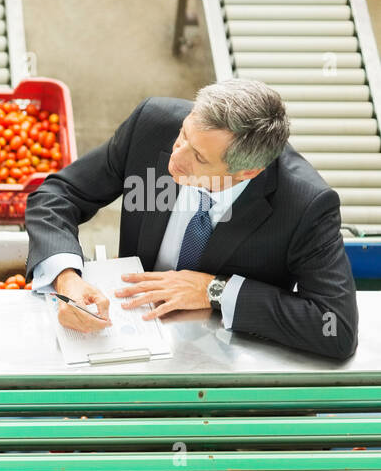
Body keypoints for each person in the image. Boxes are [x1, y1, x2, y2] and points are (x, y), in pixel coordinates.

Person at [24, 79, 357, 359]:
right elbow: (57, 195)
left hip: (228, 357)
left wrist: (215, 290)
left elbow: (336, 327)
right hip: (127, 333)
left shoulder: (306, 205)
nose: (175, 157)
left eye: (198, 157)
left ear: (249, 171)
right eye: (183, 136)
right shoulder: (152, 124)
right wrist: (66, 279)